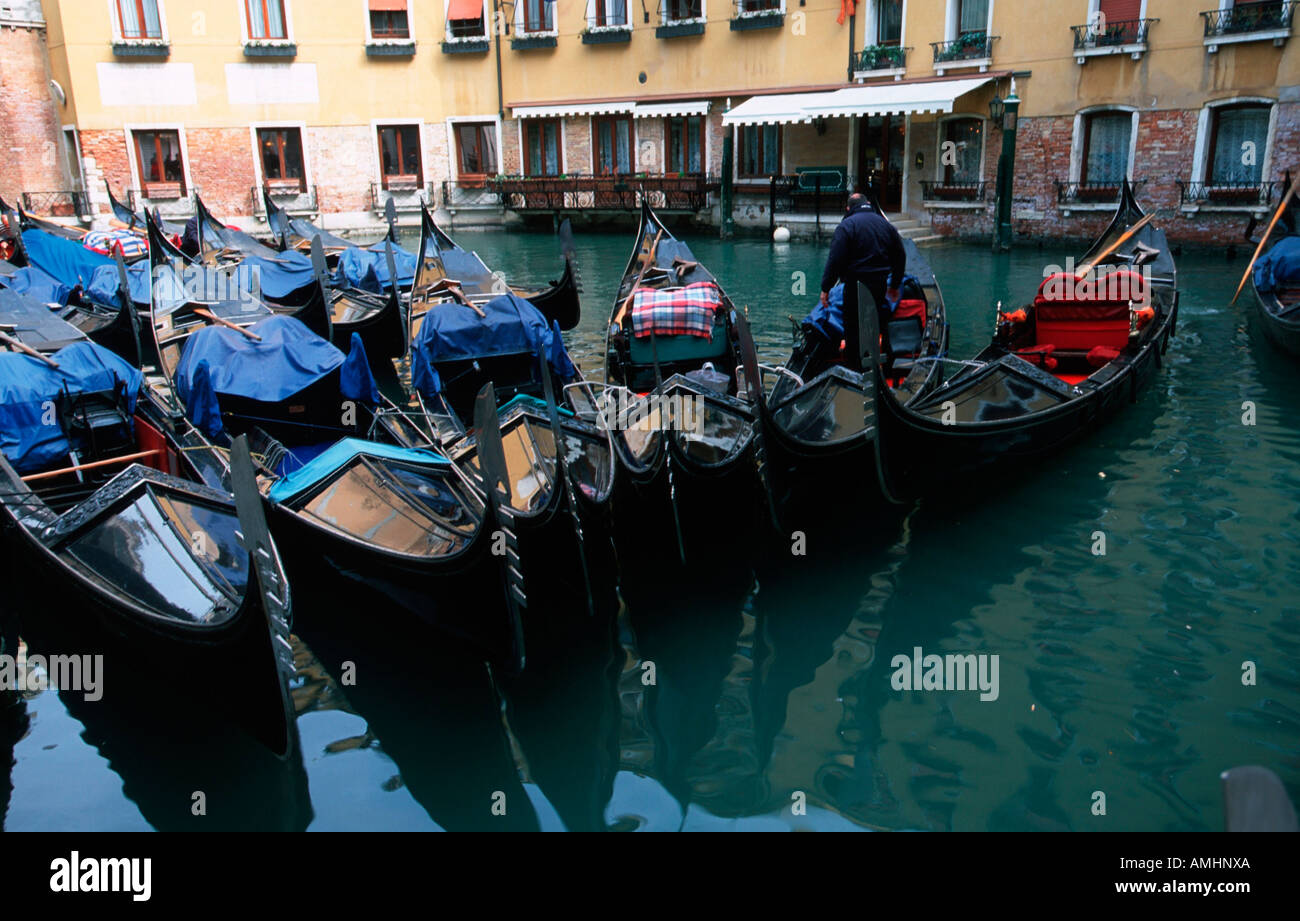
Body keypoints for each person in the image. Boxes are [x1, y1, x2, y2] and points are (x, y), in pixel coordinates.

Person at [819, 192, 906, 369]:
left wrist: (826, 288)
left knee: (853, 329)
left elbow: (835, 260)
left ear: (848, 208)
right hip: (879, 284)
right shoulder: (886, 225)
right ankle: (879, 364)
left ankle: (855, 370)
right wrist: (895, 285)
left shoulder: (846, 226)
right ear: (867, 203)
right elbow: (900, 256)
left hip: (854, 286)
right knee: (876, 323)